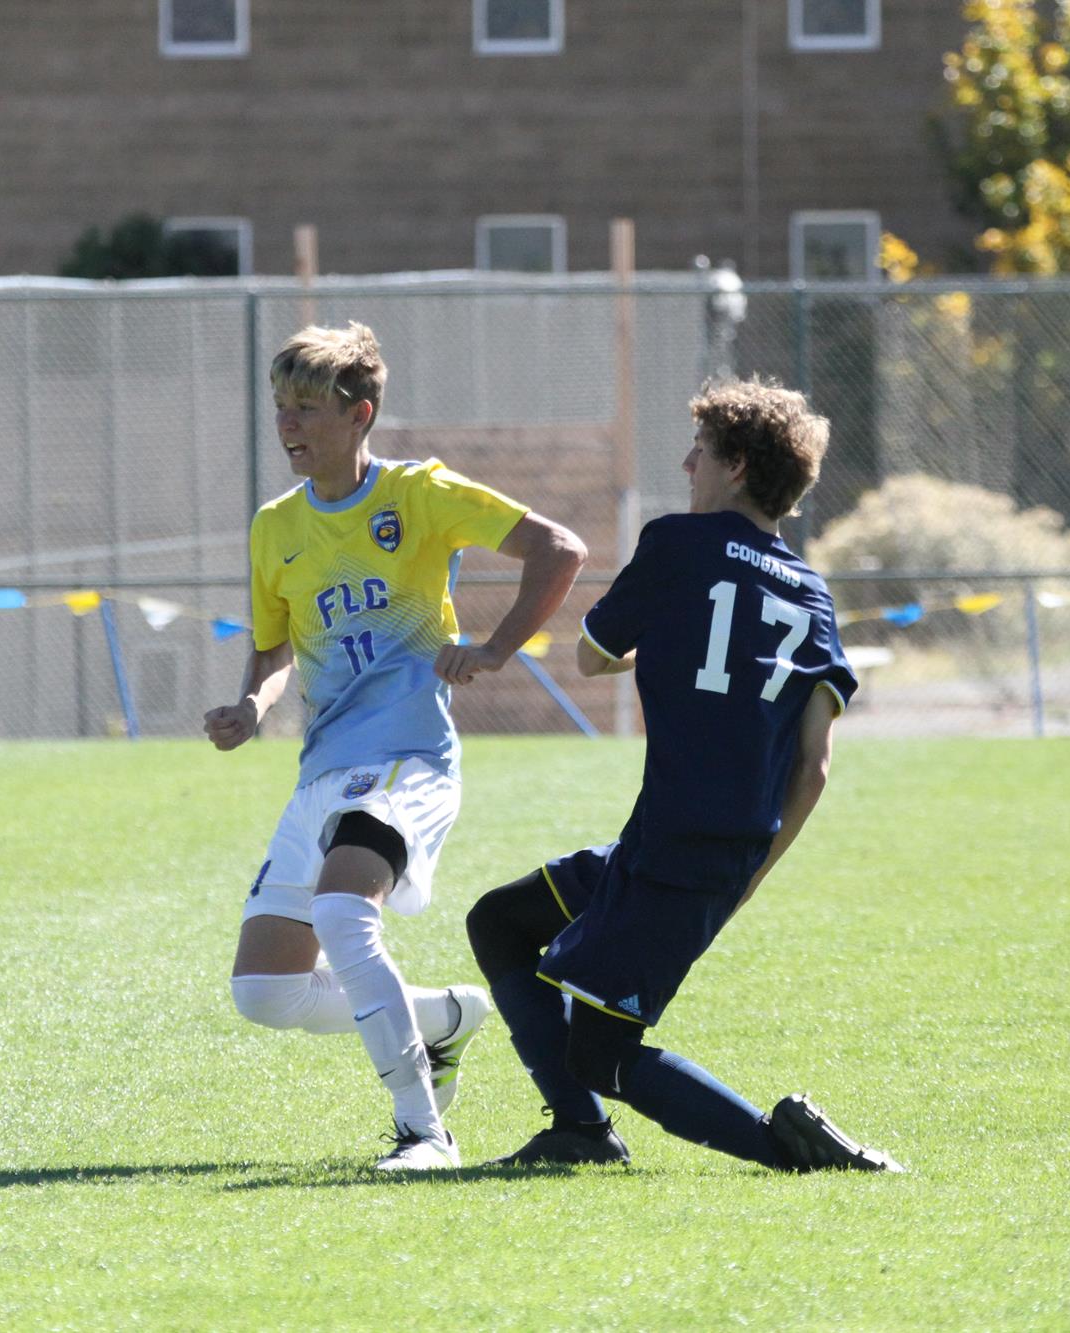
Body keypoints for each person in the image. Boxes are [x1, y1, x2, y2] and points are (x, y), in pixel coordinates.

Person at [464, 377, 902, 1173]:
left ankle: (795, 1151)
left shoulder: (674, 545)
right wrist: (756, 874)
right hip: (698, 850)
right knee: (501, 921)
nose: (686, 460)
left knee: (603, 1052)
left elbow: (592, 655)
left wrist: (659, 640)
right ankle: (578, 1132)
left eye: (700, 449)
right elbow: (815, 765)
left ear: (735, 465)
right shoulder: (813, 594)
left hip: (672, 853)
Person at [205, 322, 586, 1172]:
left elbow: (558, 548)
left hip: (409, 760)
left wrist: (495, 648)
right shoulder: (275, 527)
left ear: (360, 413)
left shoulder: (416, 495)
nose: (288, 424)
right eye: (280, 407)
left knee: (344, 913)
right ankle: (444, 1018)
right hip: (324, 771)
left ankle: (426, 1133)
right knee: (263, 991)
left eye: (306, 407)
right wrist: (249, 703)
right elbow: (272, 648)